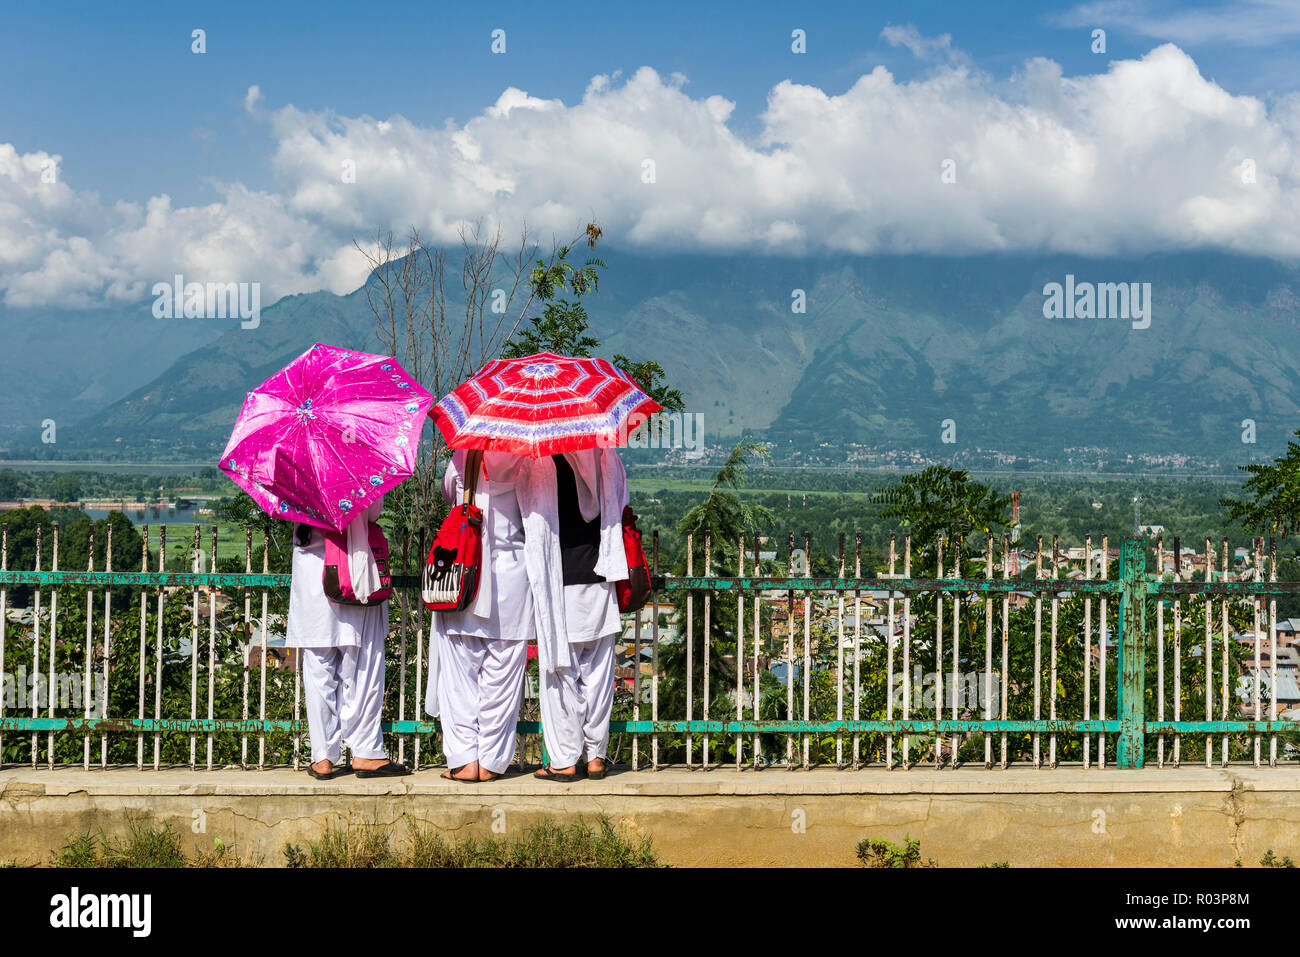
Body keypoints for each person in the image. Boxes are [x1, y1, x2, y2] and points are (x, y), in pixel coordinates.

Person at [286, 494, 410, 780]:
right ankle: (365, 751)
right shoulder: (358, 470)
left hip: (313, 580)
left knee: (319, 673)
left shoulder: (300, 470)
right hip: (352, 572)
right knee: (363, 670)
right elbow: (373, 513)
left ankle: (323, 757)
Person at [534, 448, 628, 781]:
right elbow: (622, 499)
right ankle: (596, 758)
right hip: (601, 576)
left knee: (560, 674)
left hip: (560, 580)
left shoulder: (541, 462)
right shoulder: (606, 456)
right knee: (599, 676)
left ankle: (563, 760)